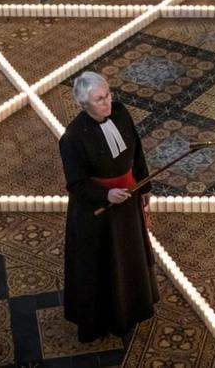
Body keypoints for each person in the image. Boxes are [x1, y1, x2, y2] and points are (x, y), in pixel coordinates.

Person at [58, 71, 159, 347]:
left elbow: (136, 151)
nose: (108, 102)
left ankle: (132, 309)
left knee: (129, 258)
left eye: (108, 94)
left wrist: (144, 187)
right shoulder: (73, 138)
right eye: (100, 100)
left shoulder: (121, 112)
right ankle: (108, 318)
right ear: (84, 105)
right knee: (106, 266)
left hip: (127, 199)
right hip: (97, 216)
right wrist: (105, 195)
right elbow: (76, 184)